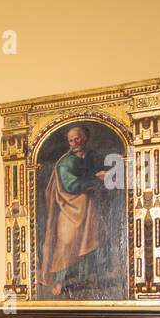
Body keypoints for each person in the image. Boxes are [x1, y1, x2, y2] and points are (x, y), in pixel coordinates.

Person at [39, 124, 107, 297]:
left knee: (88, 242)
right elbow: (71, 185)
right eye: (71, 140)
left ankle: (85, 277)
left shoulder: (93, 157)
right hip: (69, 209)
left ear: (84, 138)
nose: (74, 142)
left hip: (88, 208)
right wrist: (96, 178)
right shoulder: (66, 162)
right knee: (66, 244)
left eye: (77, 138)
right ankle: (60, 281)